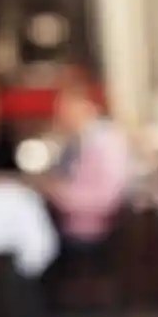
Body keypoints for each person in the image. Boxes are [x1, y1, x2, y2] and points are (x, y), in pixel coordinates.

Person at [37, 80, 131, 246]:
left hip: (94, 234)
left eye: (66, 108)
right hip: (65, 227)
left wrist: (60, 195)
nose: (60, 115)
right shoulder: (73, 141)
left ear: (87, 106)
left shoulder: (106, 142)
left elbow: (109, 198)